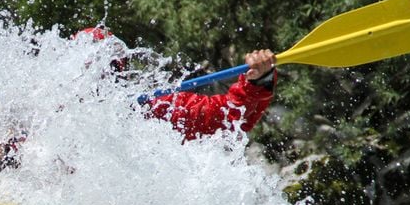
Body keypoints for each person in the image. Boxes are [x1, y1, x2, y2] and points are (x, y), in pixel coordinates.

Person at [77, 26, 277, 141]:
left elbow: (228, 117)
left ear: (119, 75)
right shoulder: (50, 115)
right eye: (83, 69)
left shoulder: (154, 110)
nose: (95, 79)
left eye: (108, 69)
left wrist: (258, 79)